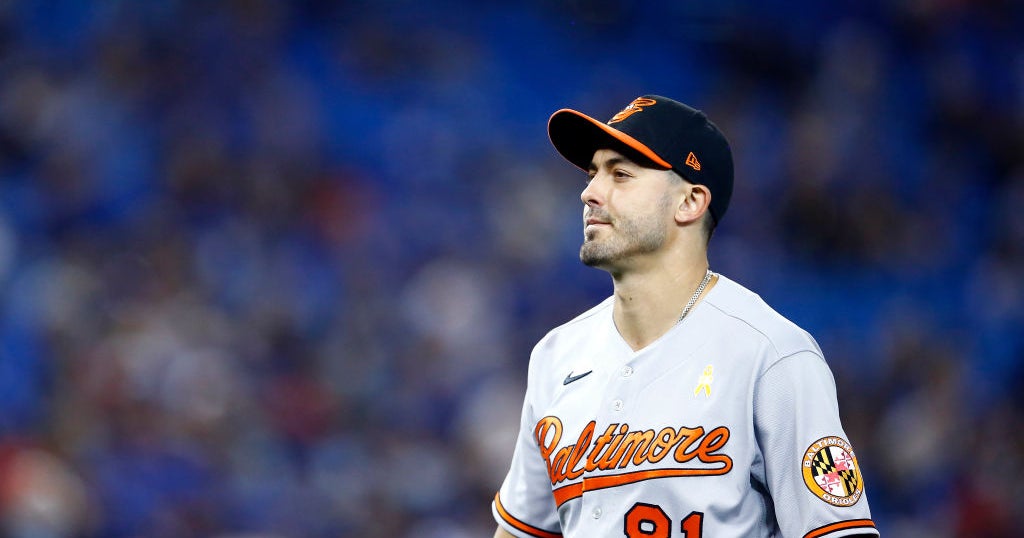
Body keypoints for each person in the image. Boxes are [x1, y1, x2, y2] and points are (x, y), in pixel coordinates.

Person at [492, 95, 878, 537]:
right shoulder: (556, 356)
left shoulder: (771, 355)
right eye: (593, 173)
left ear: (690, 202)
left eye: (620, 174)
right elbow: (519, 532)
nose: (590, 192)